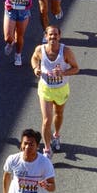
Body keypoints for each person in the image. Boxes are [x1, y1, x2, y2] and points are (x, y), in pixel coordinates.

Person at [31, 26, 80, 157]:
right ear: (46, 36)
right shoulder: (40, 50)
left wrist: (63, 73)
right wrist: (36, 68)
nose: (53, 37)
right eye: (50, 35)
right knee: (46, 120)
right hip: (45, 89)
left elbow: (76, 68)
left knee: (58, 113)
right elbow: (34, 58)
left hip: (61, 89)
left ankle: (56, 134)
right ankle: (47, 149)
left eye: (55, 35)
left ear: (59, 36)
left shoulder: (66, 52)